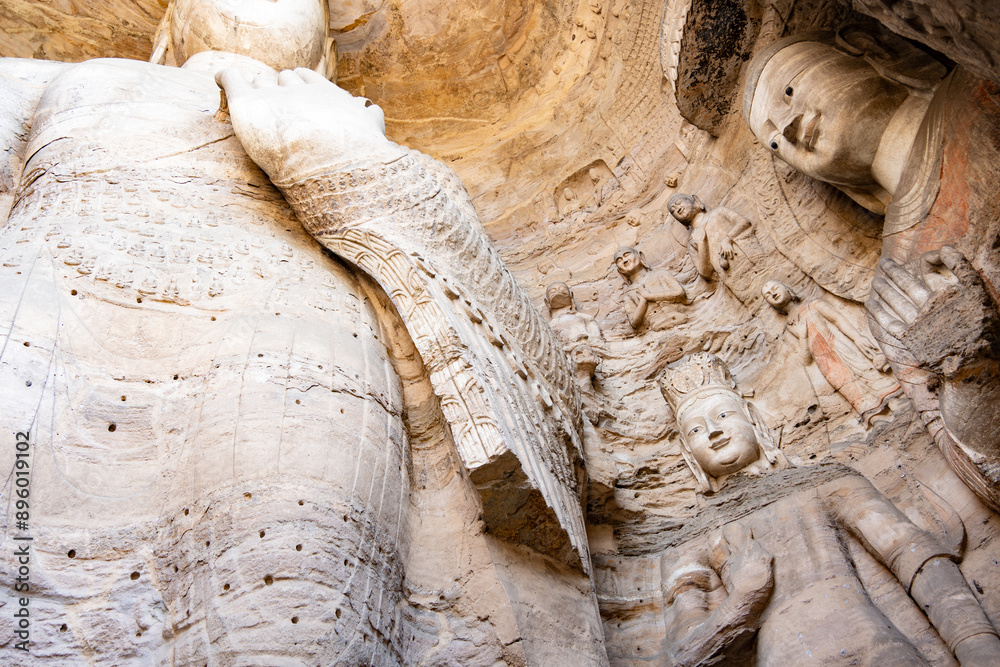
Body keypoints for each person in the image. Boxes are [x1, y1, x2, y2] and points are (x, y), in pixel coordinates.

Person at [0, 0, 607, 662]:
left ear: (325, 54)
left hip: (293, 355)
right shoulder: (53, 78)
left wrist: (349, 158)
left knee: (288, 615)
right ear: (169, 28)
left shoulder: (354, 127)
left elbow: (512, 339)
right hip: (44, 322)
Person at [743, 28, 1000, 512]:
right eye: (776, 143)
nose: (791, 127)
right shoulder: (894, 293)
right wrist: (967, 374)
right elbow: (983, 473)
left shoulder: (983, 89)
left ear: (870, 52)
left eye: (790, 91)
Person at [658, 353, 1000, 666]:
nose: (714, 432)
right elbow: (687, 654)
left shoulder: (826, 482)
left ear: (754, 420)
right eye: (696, 430)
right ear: (689, 453)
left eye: (722, 414)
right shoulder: (692, 542)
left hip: (879, 647)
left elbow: (915, 556)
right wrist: (745, 596)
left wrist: (979, 650)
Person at [761, 279, 902, 427]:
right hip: (826, 363)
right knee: (852, 391)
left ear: (787, 289)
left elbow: (838, 320)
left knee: (868, 374)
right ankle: (876, 419)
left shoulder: (814, 305)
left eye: (776, 288)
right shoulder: (788, 329)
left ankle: (896, 403)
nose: (774, 294)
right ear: (771, 304)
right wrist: (802, 336)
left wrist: (858, 338)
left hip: (841, 347)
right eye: (769, 295)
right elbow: (805, 360)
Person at [666, 193, 753, 280]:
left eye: (679, 202)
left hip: (748, 257)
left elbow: (744, 222)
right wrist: (701, 244)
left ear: (695, 201)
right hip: (730, 277)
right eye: (673, 211)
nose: (678, 209)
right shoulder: (693, 242)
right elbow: (705, 274)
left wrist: (727, 239)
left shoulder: (718, 212)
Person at [613, 245, 688, 330]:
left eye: (626, 255)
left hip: (680, 319)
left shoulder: (660, 274)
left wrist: (649, 296)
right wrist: (642, 303)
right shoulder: (629, 294)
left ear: (640, 256)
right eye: (619, 260)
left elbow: (680, 293)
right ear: (620, 271)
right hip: (657, 328)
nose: (625, 260)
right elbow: (634, 323)